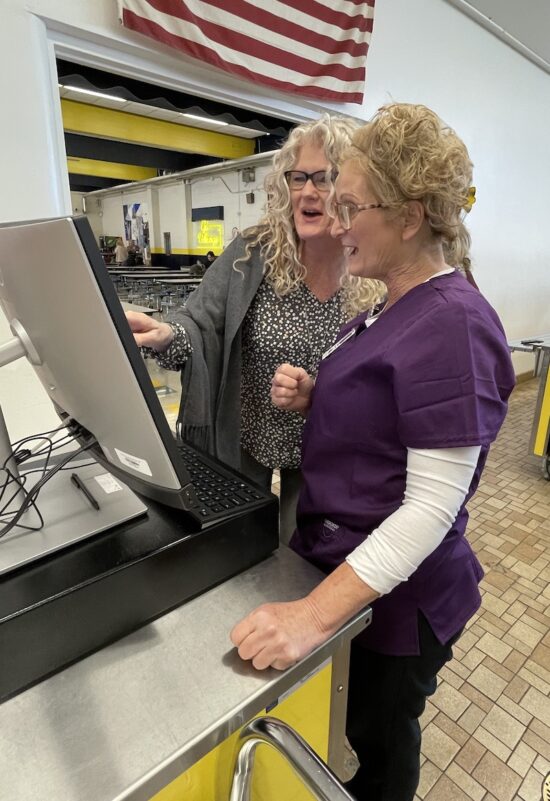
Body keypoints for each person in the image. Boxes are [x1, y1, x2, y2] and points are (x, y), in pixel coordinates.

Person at [230, 103, 515, 801]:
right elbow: (389, 410)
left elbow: (427, 509)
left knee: (378, 745)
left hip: (395, 606)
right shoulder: (390, 302)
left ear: (410, 215)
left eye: (351, 205)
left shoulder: (452, 323)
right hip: (347, 573)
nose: (338, 221)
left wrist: (311, 615)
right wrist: (317, 394)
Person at [126, 115, 384, 543]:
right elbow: (200, 317)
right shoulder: (253, 253)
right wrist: (169, 334)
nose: (306, 191)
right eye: (297, 177)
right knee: (237, 540)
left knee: (304, 551)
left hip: (324, 445)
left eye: (324, 178)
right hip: (246, 430)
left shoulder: (368, 267)